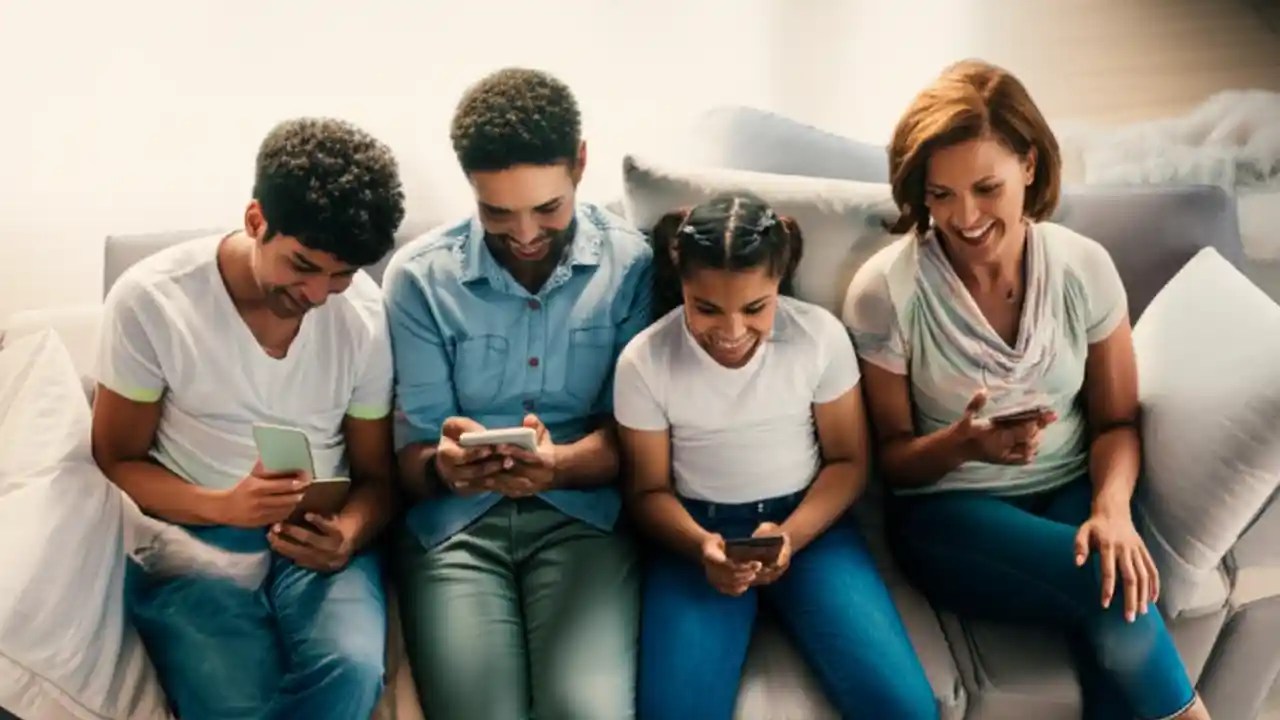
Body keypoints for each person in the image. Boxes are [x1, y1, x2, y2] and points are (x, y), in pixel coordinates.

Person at [843, 59, 1208, 720]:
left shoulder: (1083, 268)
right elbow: (893, 460)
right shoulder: (886, 293)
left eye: (986, 188)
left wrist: (1112, 510)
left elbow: (1116, 423)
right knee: (1112, 593)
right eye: (941, 194)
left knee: (1114, 614)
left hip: (1072, 491)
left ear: (1030, 166)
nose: (965, 217)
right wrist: (963, 445)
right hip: (949, 514)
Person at [91, 117, 404, 720]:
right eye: (303, 265)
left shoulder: (363, 315)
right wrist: (222, 507)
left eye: (340, 274)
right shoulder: (153, 301)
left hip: (317, 529)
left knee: (353, 670)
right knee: (233, 702)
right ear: (256, 219)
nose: (318, 294)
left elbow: (376, 477)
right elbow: (115, 459)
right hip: (192, 531)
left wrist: (349, 535)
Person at [383, 67, 652, 720]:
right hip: (456, 532)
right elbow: (411, 454)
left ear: (580, 165)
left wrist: (558, 464)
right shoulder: (419, 281)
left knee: (586, 712)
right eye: (498, 212)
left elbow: (641, 440)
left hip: (582, 521)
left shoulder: (633, 266)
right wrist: (443, 468)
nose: (525, 233)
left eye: (547, 208)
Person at [615, 192, 939, 720]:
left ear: (778, 282)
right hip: (699, 533)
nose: (732, 331)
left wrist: (792, 535)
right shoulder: (645, 362)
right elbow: (647, 491)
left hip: (809, 526)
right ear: (682, 285)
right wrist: (702, 549)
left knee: (905, 710)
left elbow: (848, 463)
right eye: (706, 309)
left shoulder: (817, 337)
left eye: (754, 308)